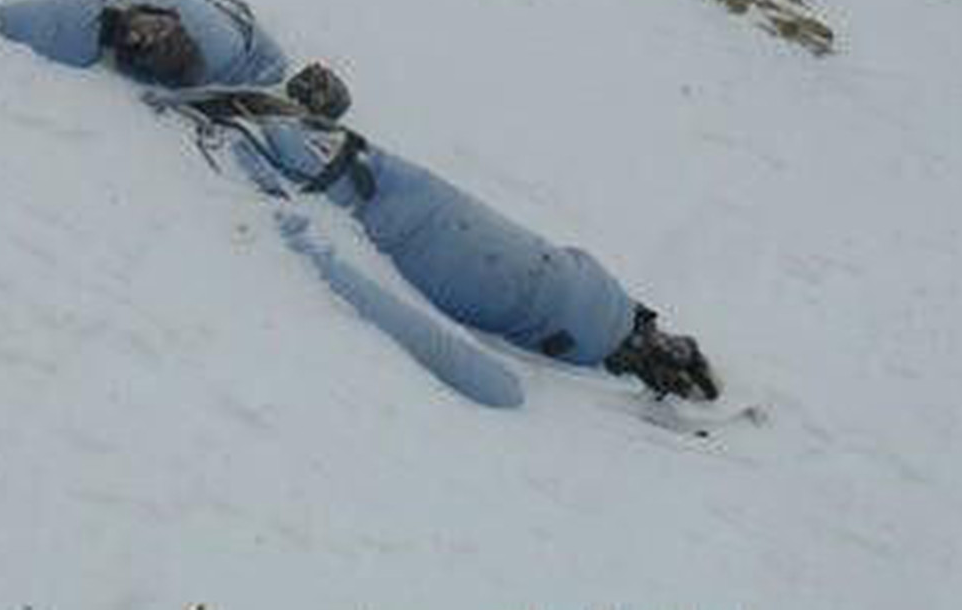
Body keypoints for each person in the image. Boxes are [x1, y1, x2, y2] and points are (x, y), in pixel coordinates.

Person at [146, 83, 719, 402]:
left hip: (547, 289)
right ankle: (627, 335)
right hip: (536, 286)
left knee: (538, 282)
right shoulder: (292, 147)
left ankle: (629, 335)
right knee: (535, 282)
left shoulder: (297, 144)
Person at [0, 0, 349, 117]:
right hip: (191, 27)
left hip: (191, 41)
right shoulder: (268, 63)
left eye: (320, 83)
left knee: (115, 12)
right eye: (322, 76)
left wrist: (153, 36)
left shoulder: (254, 77)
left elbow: (193, 71)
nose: (317, 70)